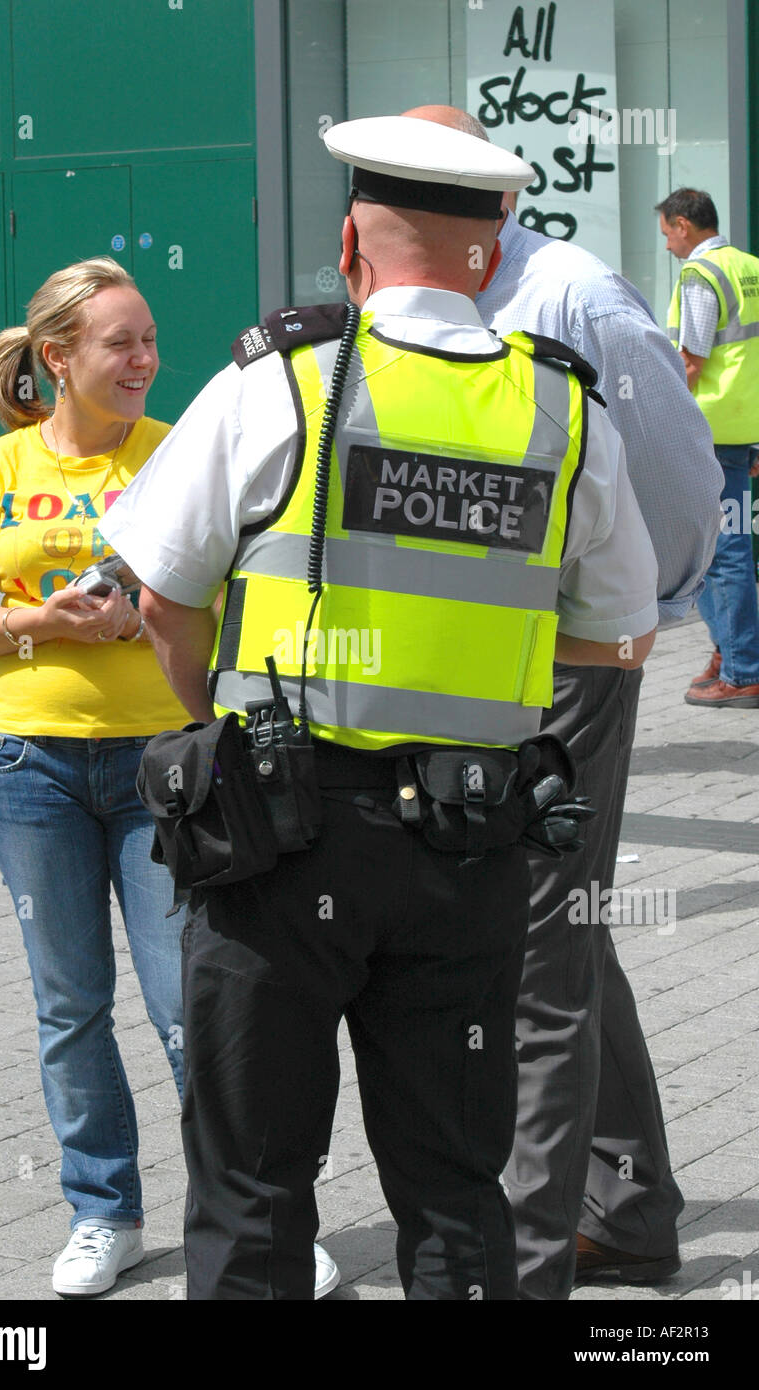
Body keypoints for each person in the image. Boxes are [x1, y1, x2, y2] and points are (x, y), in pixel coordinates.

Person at [101, 114, 659, 1300]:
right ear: (492, 250)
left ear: (352, 245)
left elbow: (159, 594)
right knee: (457, 1195)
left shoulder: (280, 379)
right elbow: (618, 628)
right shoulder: (563, 412)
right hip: (468, 847)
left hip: (277, 838)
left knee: (253, 1194)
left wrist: (219, 713)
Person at [406, 110, 720, 1299]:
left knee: (536, 939)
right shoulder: (411, 298)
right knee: (564, 926)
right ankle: (631, 1212)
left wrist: (627, 621)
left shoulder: (572, 295)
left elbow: (684, 484)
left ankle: (525, 1267)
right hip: (456, 665)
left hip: (567, 660)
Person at [0, 258, 192, 1298]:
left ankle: (252, 1214)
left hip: (160, 767)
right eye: (121, 343)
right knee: (72, 1004)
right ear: (59, 357)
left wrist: (146, 617)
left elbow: (213, 595)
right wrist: (39, 619)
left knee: (191, 1001)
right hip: (28, 766)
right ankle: (103, 1211)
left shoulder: (174, 454)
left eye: (148, 339)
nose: (144, 361)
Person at [657, 187, 759, 708]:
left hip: (711, 431)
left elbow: (691, 362)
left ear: (682, 224)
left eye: (669, 237)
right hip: (742, 429)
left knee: (723, 553)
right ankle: (729, 653)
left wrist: (666, 420)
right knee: (725, 549)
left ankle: (743, 671)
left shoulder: (701, 275)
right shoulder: (750, 267)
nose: (670, 248)